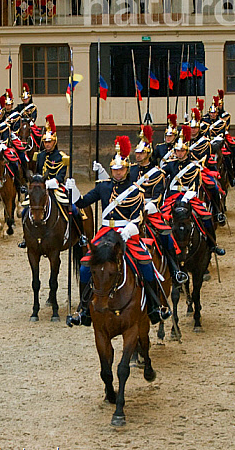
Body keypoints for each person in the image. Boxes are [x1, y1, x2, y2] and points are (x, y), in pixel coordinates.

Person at [65, 136, 171, 327]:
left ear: (126, 169)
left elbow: (138, 217)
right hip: (105, 232)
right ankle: (83, 309)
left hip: (127, 233)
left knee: (146, 264)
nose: (117, 173)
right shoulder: (103, 187)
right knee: (84, 267)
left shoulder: (134, 190)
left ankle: (155, 306)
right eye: (114, 170)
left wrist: (129, 230)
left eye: (121, 169)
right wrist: (73, 190)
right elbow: (82, 203)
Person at [130, 125, 188, 284]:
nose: (137, 155)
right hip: (132, 211)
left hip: (150, 210)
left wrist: (150, 206)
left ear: (148, 154)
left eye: (141, 153)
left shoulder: (157, 173)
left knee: (166, 235)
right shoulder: (131, 171)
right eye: (136, 152)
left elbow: (158, 195)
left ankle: (174, 268)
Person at [161, 125, 226, 258]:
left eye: (181, 151)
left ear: (186, 152)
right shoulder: (170, 165)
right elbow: (160, 175)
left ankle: (212, 244)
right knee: (161, 219)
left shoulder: (194, 168)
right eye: (177, 151)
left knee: (206, 216)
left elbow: (195, 187)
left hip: (188, 197)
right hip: (172, 198)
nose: (179, 153)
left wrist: (185, 199)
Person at [17, 115, 70, 249]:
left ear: (54, 142)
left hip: (56, 187)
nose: (47, 144)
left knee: (72, 209)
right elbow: (37, 172)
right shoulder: (39, 156)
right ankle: (26, 237)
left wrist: (49, 183)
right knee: (25, 211)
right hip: (40, 187)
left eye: (49, 142)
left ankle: (79, 235)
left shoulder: (61, 157)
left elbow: (61, 176)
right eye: (45, 142)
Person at [188, 107, 226, 226]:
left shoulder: (204, 142)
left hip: (200, 170)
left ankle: (217, 211)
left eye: (195, 128)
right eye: (191, 128)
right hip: (185, 172)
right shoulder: (184, 141)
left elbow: (206, 156)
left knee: (213, 186)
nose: (193, 131)